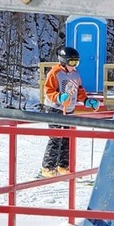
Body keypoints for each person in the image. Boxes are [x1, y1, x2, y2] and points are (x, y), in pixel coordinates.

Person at [39, 45, 89, 176]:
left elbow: (80, 89)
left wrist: (86, 100)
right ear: (63, 61)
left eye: (77, 62)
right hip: (55, 108)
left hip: (69, 109)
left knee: (67, 137)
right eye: (72, 62)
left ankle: (63, 165)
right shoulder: (55, 73)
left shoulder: (75, 74)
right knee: (56, 137)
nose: (74, 65)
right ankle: (47, 167)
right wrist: (58, 97)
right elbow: (48, 90)